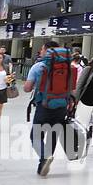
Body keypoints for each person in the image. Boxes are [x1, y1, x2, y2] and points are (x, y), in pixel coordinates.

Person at [23, 41, 77, 177]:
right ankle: (43, 164)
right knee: (53, 134)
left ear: (47, 51)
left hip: (44, 105)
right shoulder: (68, 67)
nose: (40, 52)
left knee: (36, 135)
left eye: (42, 49)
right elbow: (73, 89)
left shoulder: (39, 66)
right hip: (62, 106)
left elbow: (27, 88)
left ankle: (44, 157)